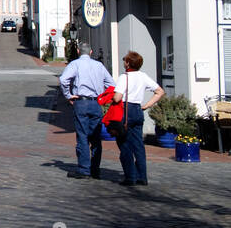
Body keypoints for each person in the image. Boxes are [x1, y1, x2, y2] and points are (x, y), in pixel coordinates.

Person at [58, 41, 115, 180]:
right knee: (96, 137)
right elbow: (112, 84)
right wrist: (103, 97)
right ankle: (95, 169)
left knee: (82, 136)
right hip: (96, 103)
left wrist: (68, 95)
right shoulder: (99, 66)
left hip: (81, 102)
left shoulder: (75, 64)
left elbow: (63, 79)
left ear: (78, 51)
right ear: (90, 52)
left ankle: (84, 169)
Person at [111, 51, 165, 187]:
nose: (124, 62)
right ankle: (142, 176)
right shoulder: (143, 76)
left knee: (124, 144)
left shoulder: (125, 77)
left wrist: (112, 97)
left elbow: (117, 97)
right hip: (137, 110)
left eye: (125, 60)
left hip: (125, 110)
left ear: (128, 63)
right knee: (138, 145)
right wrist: (147, 105)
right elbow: (159, 91)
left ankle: (130, 176)